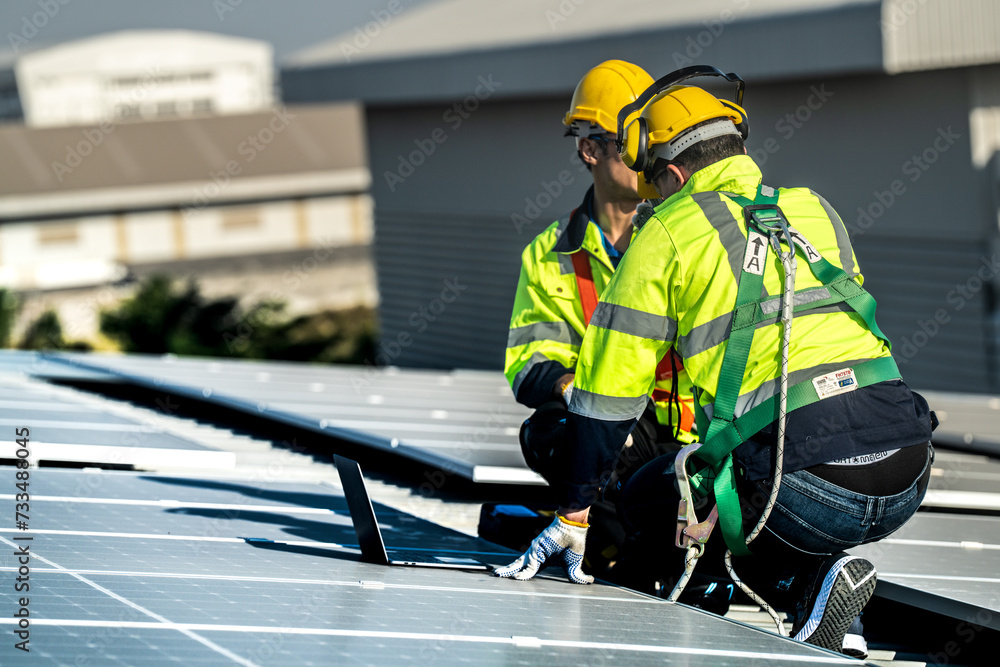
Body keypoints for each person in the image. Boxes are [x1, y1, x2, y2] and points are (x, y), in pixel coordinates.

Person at [497, 68, 934, 657]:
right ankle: (833, 612)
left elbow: (605, 404)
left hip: (801, 477)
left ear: (674, 173)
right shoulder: (814, 209)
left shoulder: (668, 232)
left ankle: (794, 584)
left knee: (661, 495)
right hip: (906, 465)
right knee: (748, 470)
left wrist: (572, 513)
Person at [500, 60, 700, 587]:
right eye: (628, 142)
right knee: (550, 430)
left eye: (650, 140)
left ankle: (650, 554)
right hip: (615, 429)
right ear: (590, 149)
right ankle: (628, 552)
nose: (645, 155)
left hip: (700, 432)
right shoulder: (550, 254)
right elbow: (528, 362)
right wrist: (572, 387)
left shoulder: (687, 234)